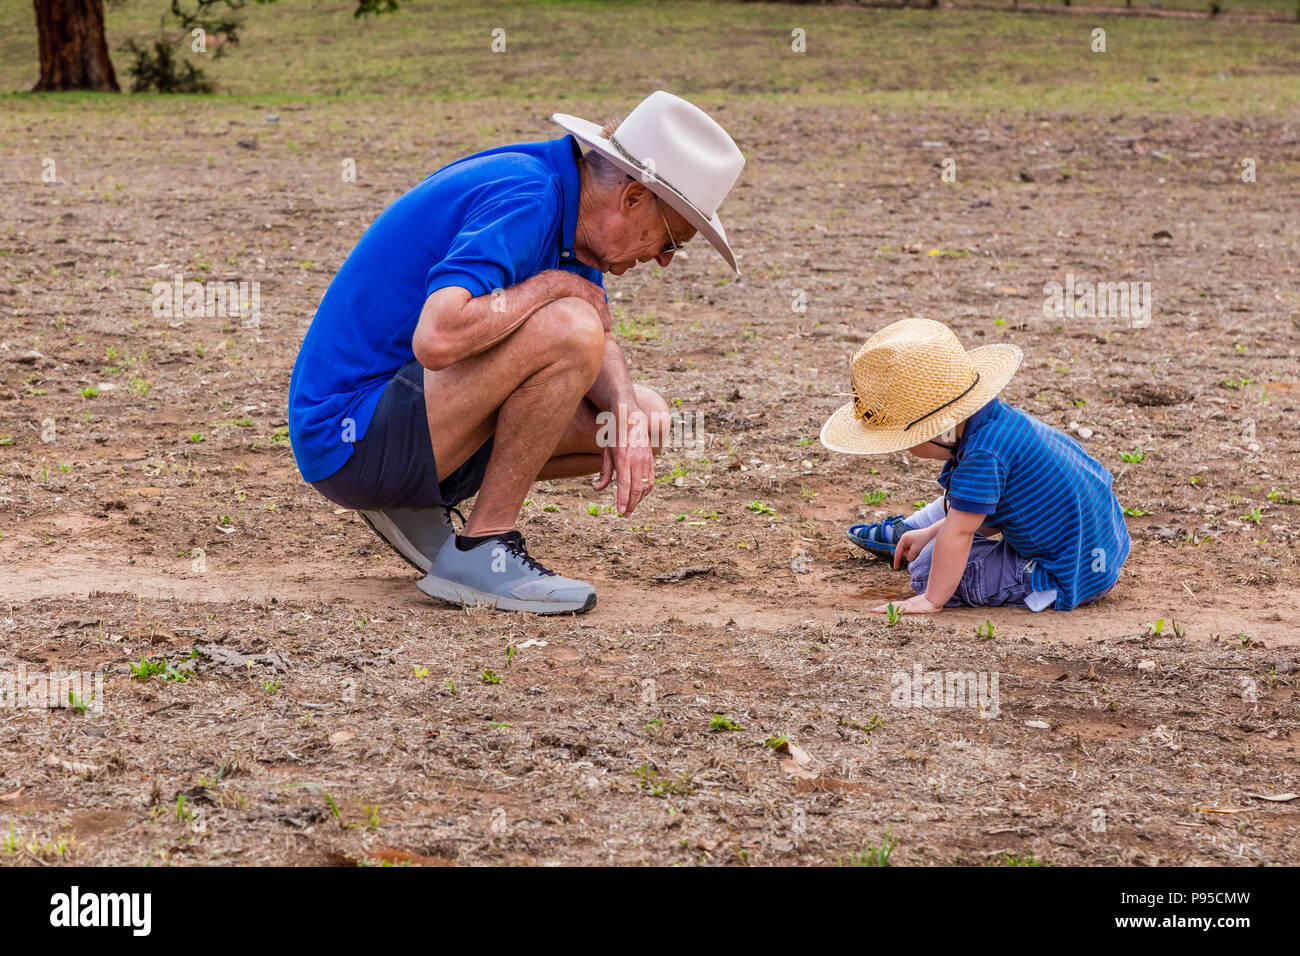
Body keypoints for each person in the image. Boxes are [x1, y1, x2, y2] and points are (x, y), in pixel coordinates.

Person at [288, 91, 744, 614]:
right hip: (348, 435)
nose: (663, 260)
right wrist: (551, 287)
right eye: (671, 239)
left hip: (407, 427)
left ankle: (413, 499)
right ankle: (482, 550)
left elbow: (599, 335)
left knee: (649, 418)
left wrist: (623, 410)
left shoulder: (577, 211)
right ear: (634, 198)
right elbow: (438, 338)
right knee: (569, 325)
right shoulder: (529, 194)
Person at [819, 318, 1131, 615]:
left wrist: (932, 598)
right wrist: (929, 532)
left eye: (904, 439)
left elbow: (961, 532)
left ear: (935, 428)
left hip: (1063, 573)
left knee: (927, 570)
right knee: (940, 542)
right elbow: (986, 513)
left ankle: (1022, 583)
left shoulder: (983, 455)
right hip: (1099, 551)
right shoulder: (997, 425)